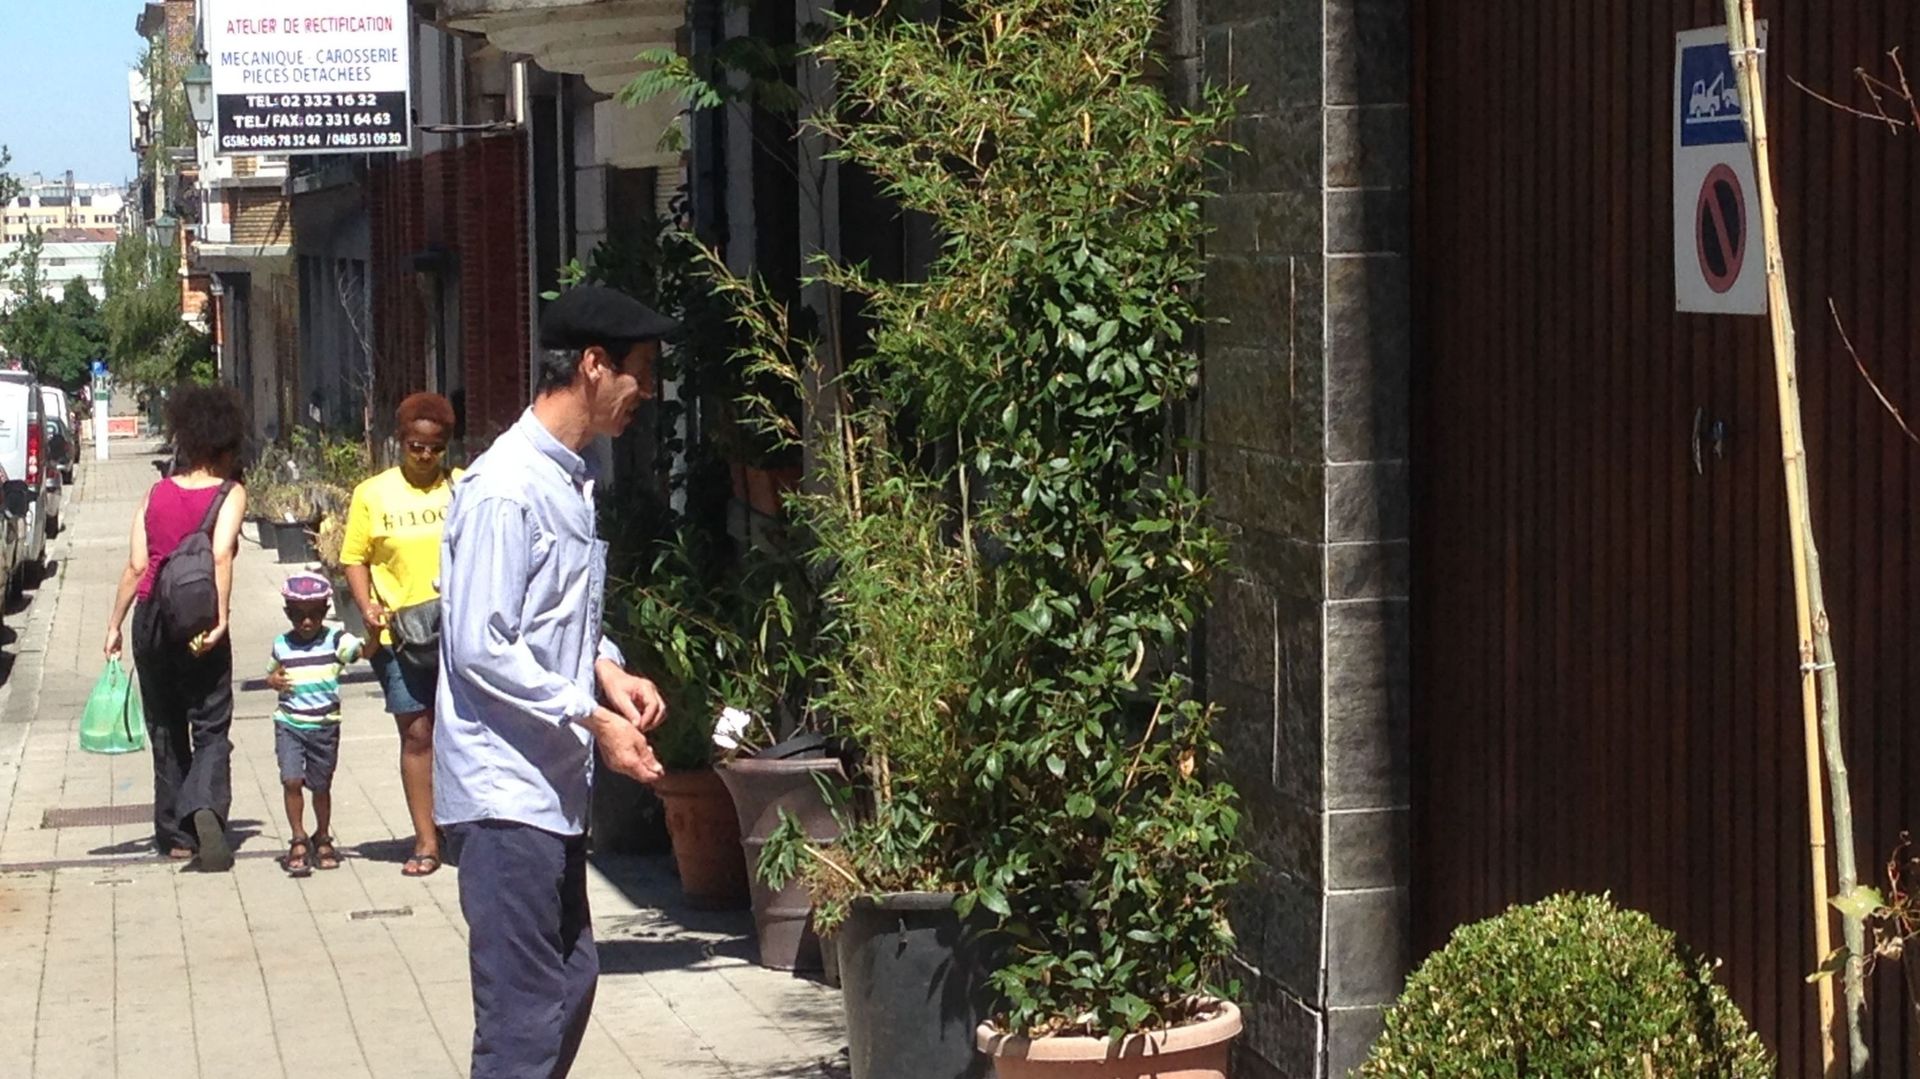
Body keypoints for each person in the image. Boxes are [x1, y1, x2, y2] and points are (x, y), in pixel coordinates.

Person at [436, 285, 674, 1078]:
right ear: (594, 365)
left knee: (568, 984)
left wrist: (608, 671)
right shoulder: (507, 488)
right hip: (506, 797)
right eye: (640, 370)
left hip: (547, 792)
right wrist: (592, 719)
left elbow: (553, 613)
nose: (649, 390)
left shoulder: (567, 478)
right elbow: (481, 643)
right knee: (524, 1015)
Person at [103, 385, 250, 870]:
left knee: (165, 726)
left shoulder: (155, 494)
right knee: (210, 723)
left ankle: (176, 835)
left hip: (152, 621)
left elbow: (136, 565)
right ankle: (205, 805)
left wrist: (114, 625)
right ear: (225, 445)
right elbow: (221, 553)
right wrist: (222, 616)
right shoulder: (229, 493)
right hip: (199, 621)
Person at [340, 391, 459, 877]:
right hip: (398, 639)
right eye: (415, 446)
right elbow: (355, 558)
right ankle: (427, 840)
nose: (426, 456)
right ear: (400, 443)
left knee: (462, 735)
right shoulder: (373, 493)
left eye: (435, 447)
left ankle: (463, 827)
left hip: (457, 633)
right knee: (418, 733)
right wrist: (367, 605)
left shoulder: (464, 488)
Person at [266, 573, 367, 876]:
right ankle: (298, 838)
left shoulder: (336, 639)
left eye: (314, 615)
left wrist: (373, 632)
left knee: (321, 786)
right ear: (288, 614)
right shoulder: (281, 644)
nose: (307, 622)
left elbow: (360, 651)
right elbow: (270, 673)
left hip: (324, 726)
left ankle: (322, 835)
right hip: (290, 723)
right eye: (298, 615)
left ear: (325, 612)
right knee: (291, 780)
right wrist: (273, 680)